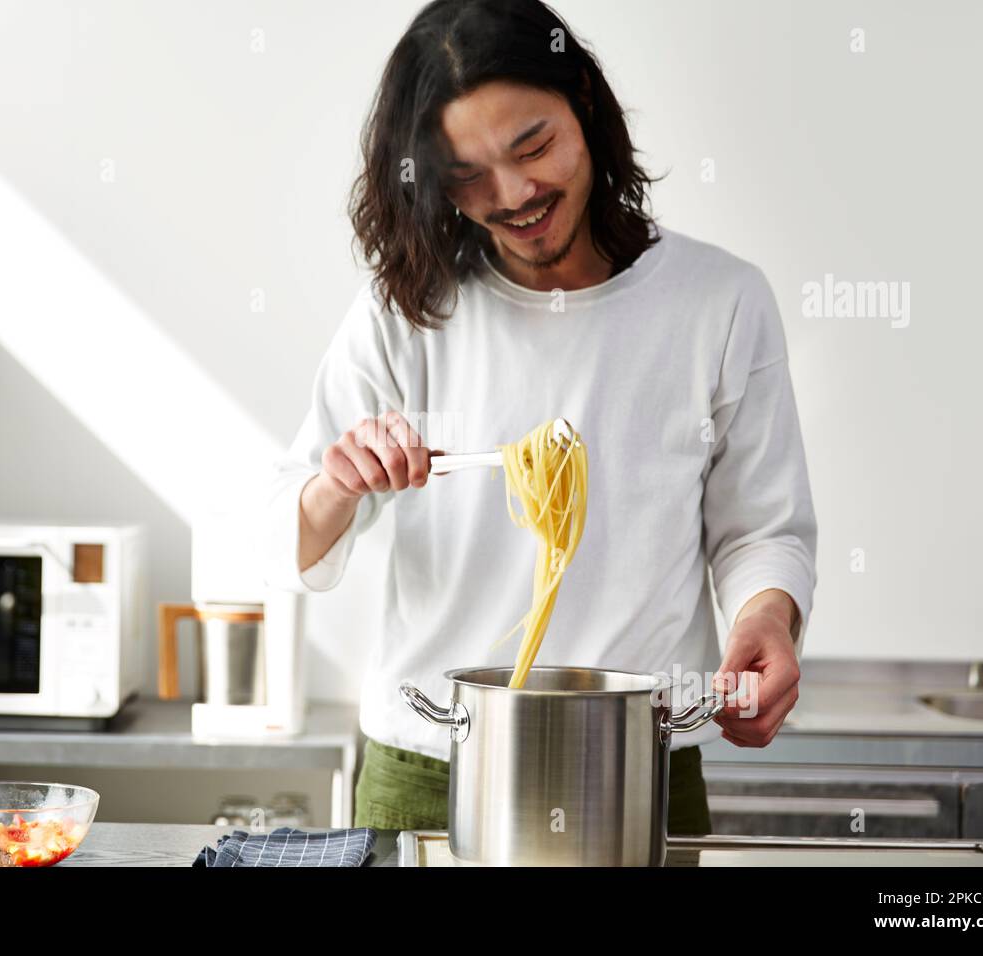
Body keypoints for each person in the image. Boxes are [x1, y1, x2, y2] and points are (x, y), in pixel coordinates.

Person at [263, 0, 817, 836]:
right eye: (468, 175)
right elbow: (287, 538)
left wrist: (767, 619)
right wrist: (337, 488)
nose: (514, 195)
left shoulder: (719, 302)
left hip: (640, 762)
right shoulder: (407, 311)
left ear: (586, 109)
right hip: (432, 761)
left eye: (534, 147)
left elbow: (761, 530)